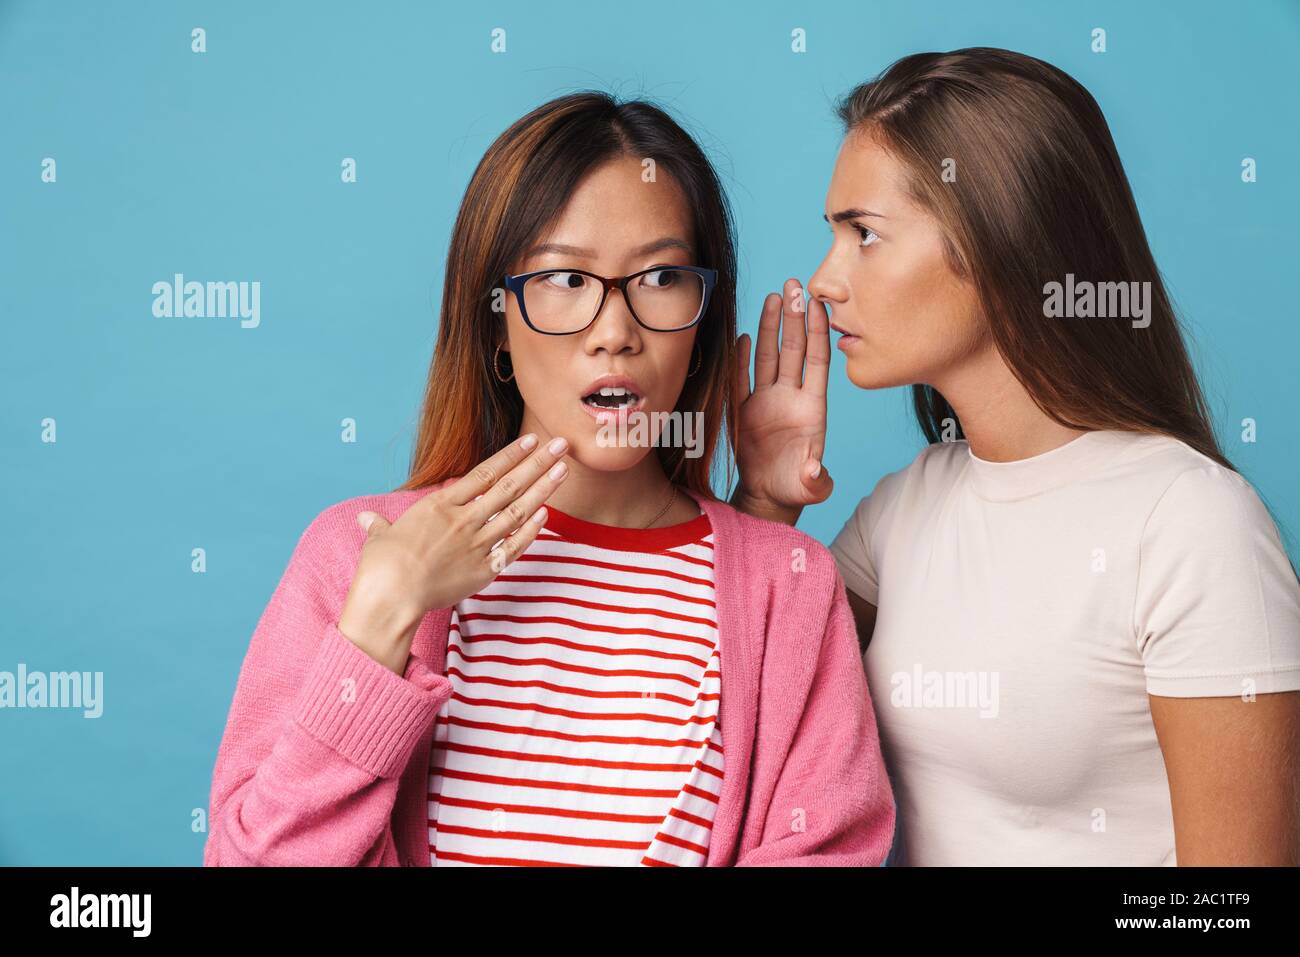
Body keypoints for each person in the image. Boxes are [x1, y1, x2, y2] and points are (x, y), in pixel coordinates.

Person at [203, 92, 895, 867]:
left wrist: (763, 518)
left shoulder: (787, 586)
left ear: (703, 319)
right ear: (497, 319)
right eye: (566, 279)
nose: (615, 332)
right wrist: (378, 626)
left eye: (661, 276)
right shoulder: (355, 556)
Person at [731, 48, 1300, 865]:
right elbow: (739, 732)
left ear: (996, 239)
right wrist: (764, 505)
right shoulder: (907, 508)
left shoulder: (1194, 526)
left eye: (865, 234)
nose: (824, 279)